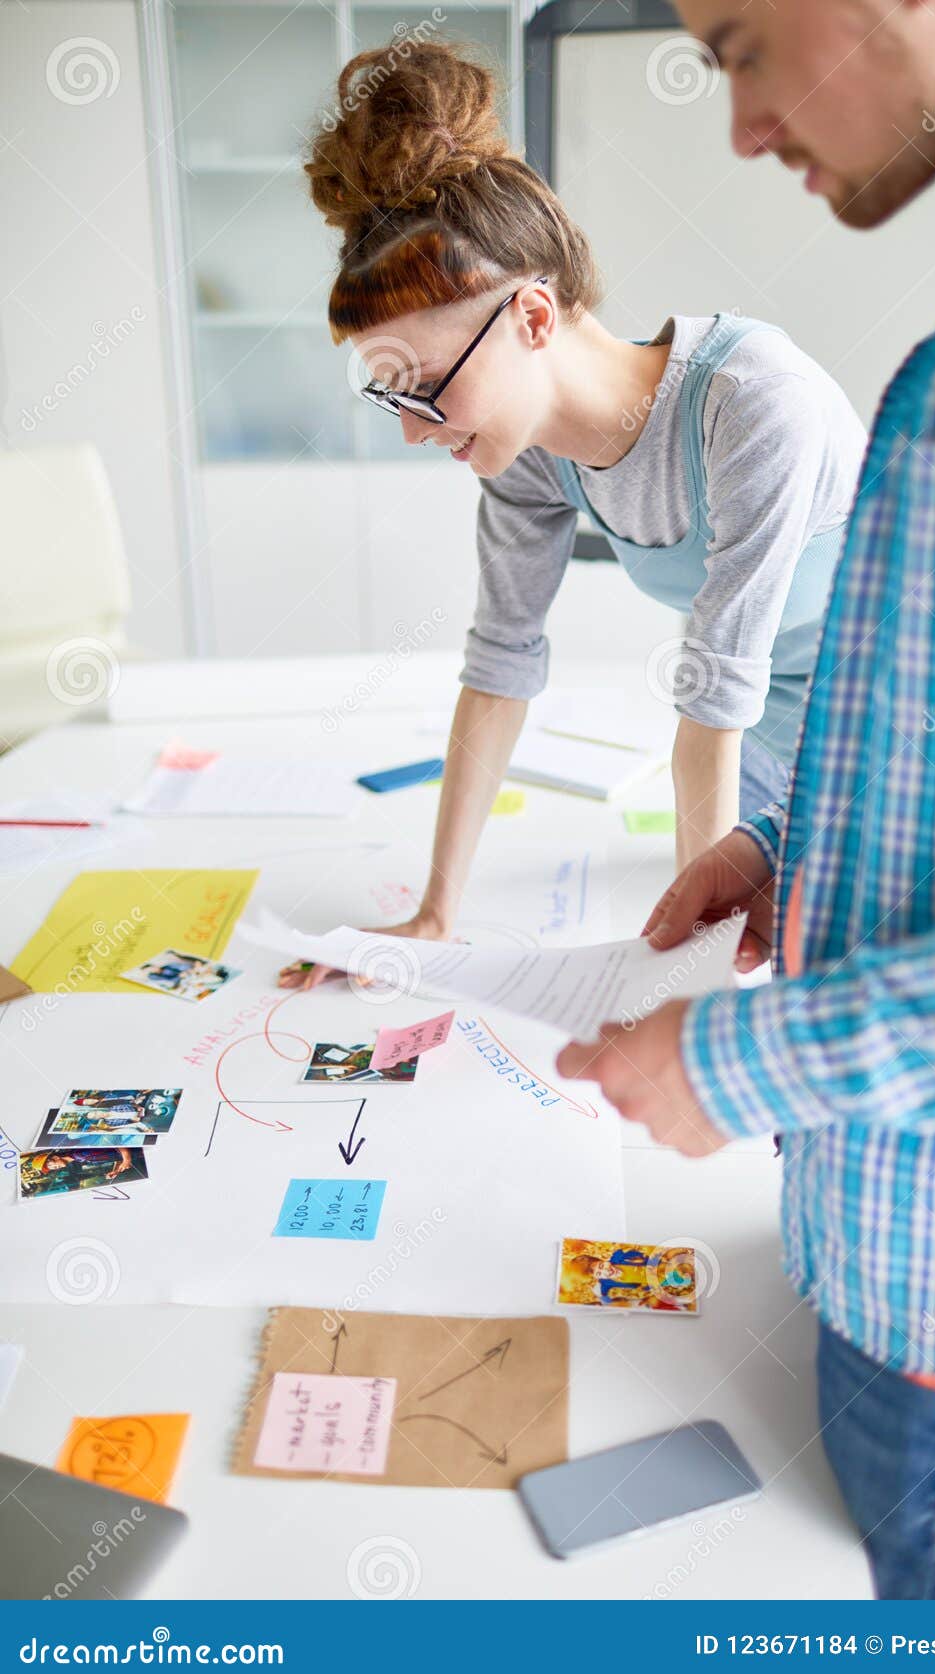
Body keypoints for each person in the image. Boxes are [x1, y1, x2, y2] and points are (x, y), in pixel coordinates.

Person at [559, 0, 935, 1600]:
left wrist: (741, 1057)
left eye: (738, 47)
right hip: (878, 1245)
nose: (738, 130)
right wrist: (791, 844)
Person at [280, 40, 865, 989]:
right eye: (393, 399)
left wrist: (687, 979)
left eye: (424, 388)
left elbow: (711, 701)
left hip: (922, 722)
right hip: (771, 751)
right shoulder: (530, 459)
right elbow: (502, 664)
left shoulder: (755, 402)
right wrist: (435, 914)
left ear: (534, 318)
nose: (415, 432)